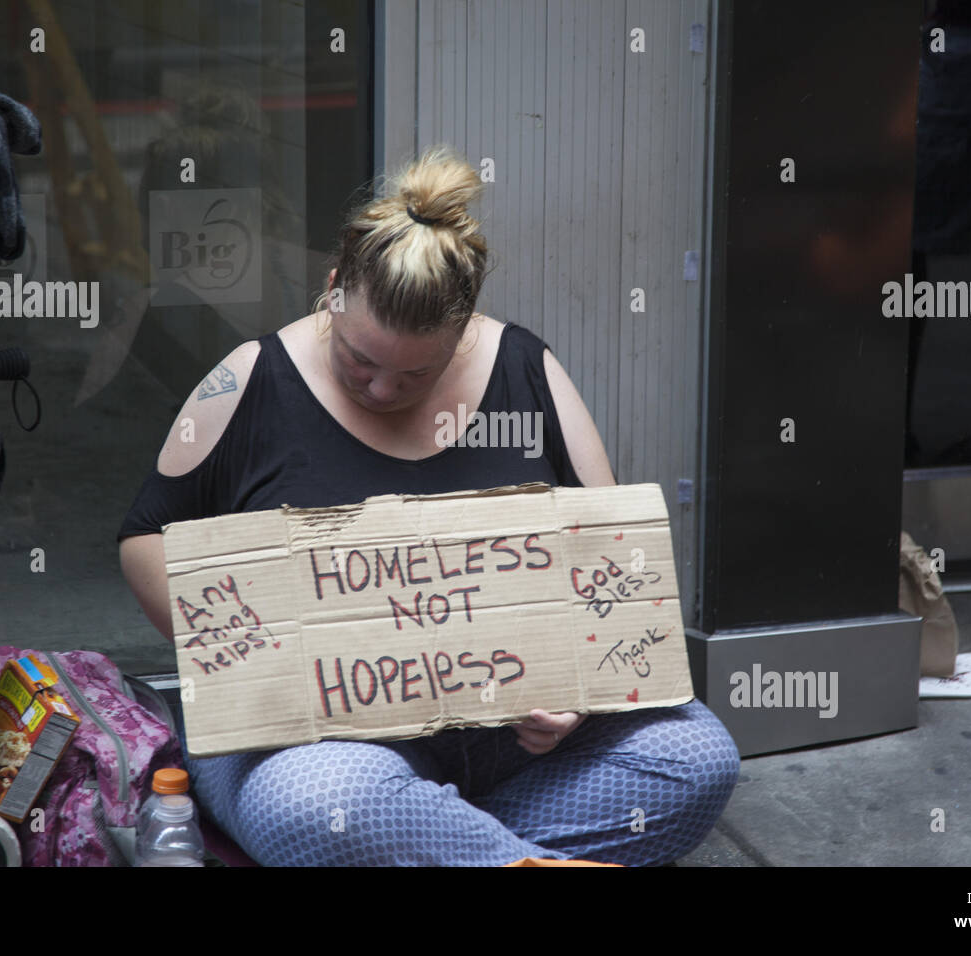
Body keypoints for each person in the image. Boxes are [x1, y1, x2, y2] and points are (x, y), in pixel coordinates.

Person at [117, 146, 739, 866]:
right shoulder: (250, 379)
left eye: (416, 372)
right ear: (332, 291)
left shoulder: (525, 370)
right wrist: (254, 658)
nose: (381, 390)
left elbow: (612, 562)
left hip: (505, 746)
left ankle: (430, 841)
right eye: (358, 359)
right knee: (314, 810)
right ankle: (485, 850)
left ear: (463, 326)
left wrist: (581, 698)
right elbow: (143, 538)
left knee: (695, 758)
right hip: (321, 750)